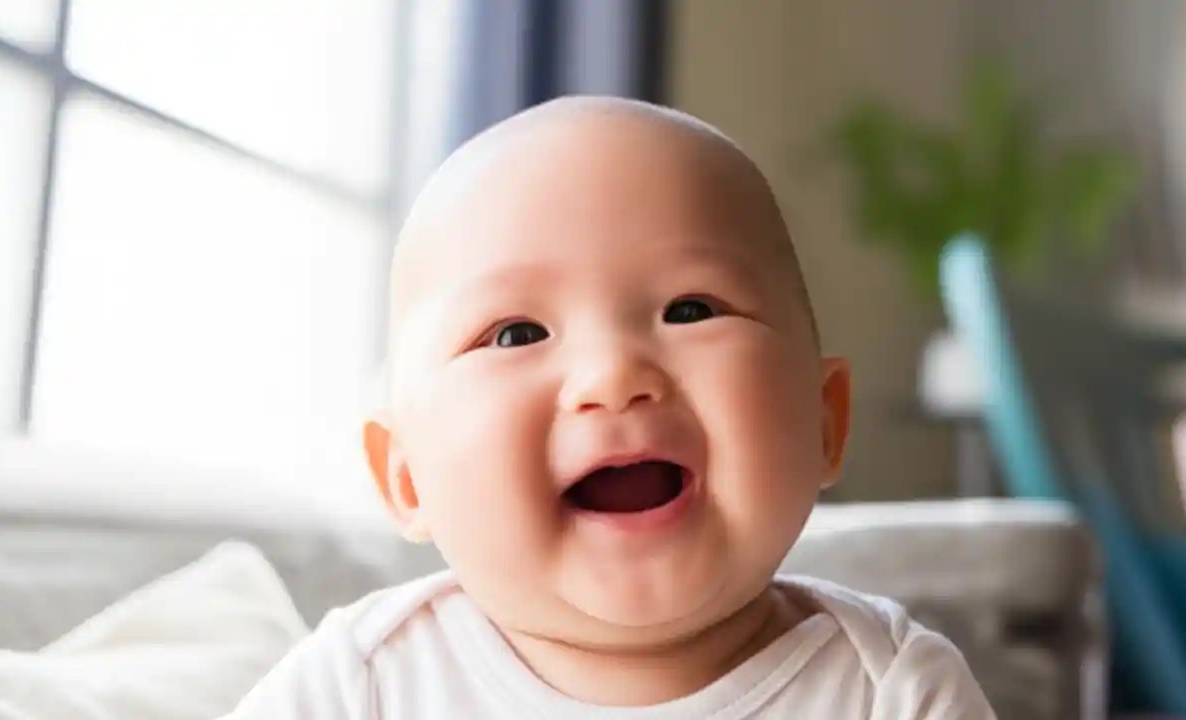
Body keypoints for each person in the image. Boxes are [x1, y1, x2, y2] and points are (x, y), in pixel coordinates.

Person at [223, 96, 995, 719]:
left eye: (691, 310)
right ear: (407, 478)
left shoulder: (891, 692)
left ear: (826, 421)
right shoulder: (361, 687)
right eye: (517, 332)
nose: (613, 374)